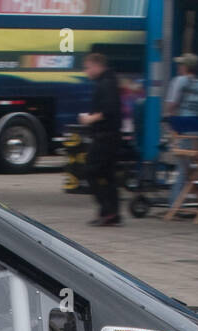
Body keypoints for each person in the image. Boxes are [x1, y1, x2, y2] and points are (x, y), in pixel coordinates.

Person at [165, 53, 198, 204]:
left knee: (183, 169)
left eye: (180, 64)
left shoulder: (179, 81)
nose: (179, 67)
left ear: (184, 67)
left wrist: (172, 124)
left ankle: (175, 203)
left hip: (185, 135)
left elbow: (172, 105)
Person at [79, 51, 122, 226]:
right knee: (107, 174)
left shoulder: (106, 84)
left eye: (88, 67)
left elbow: (109, 110)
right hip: (111, 136)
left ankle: (107, 209)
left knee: (90, 171)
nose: (86, 71)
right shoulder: (109, 81)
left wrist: (90, 118)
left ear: (97, 66)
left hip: (105, 136)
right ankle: (111, 213)